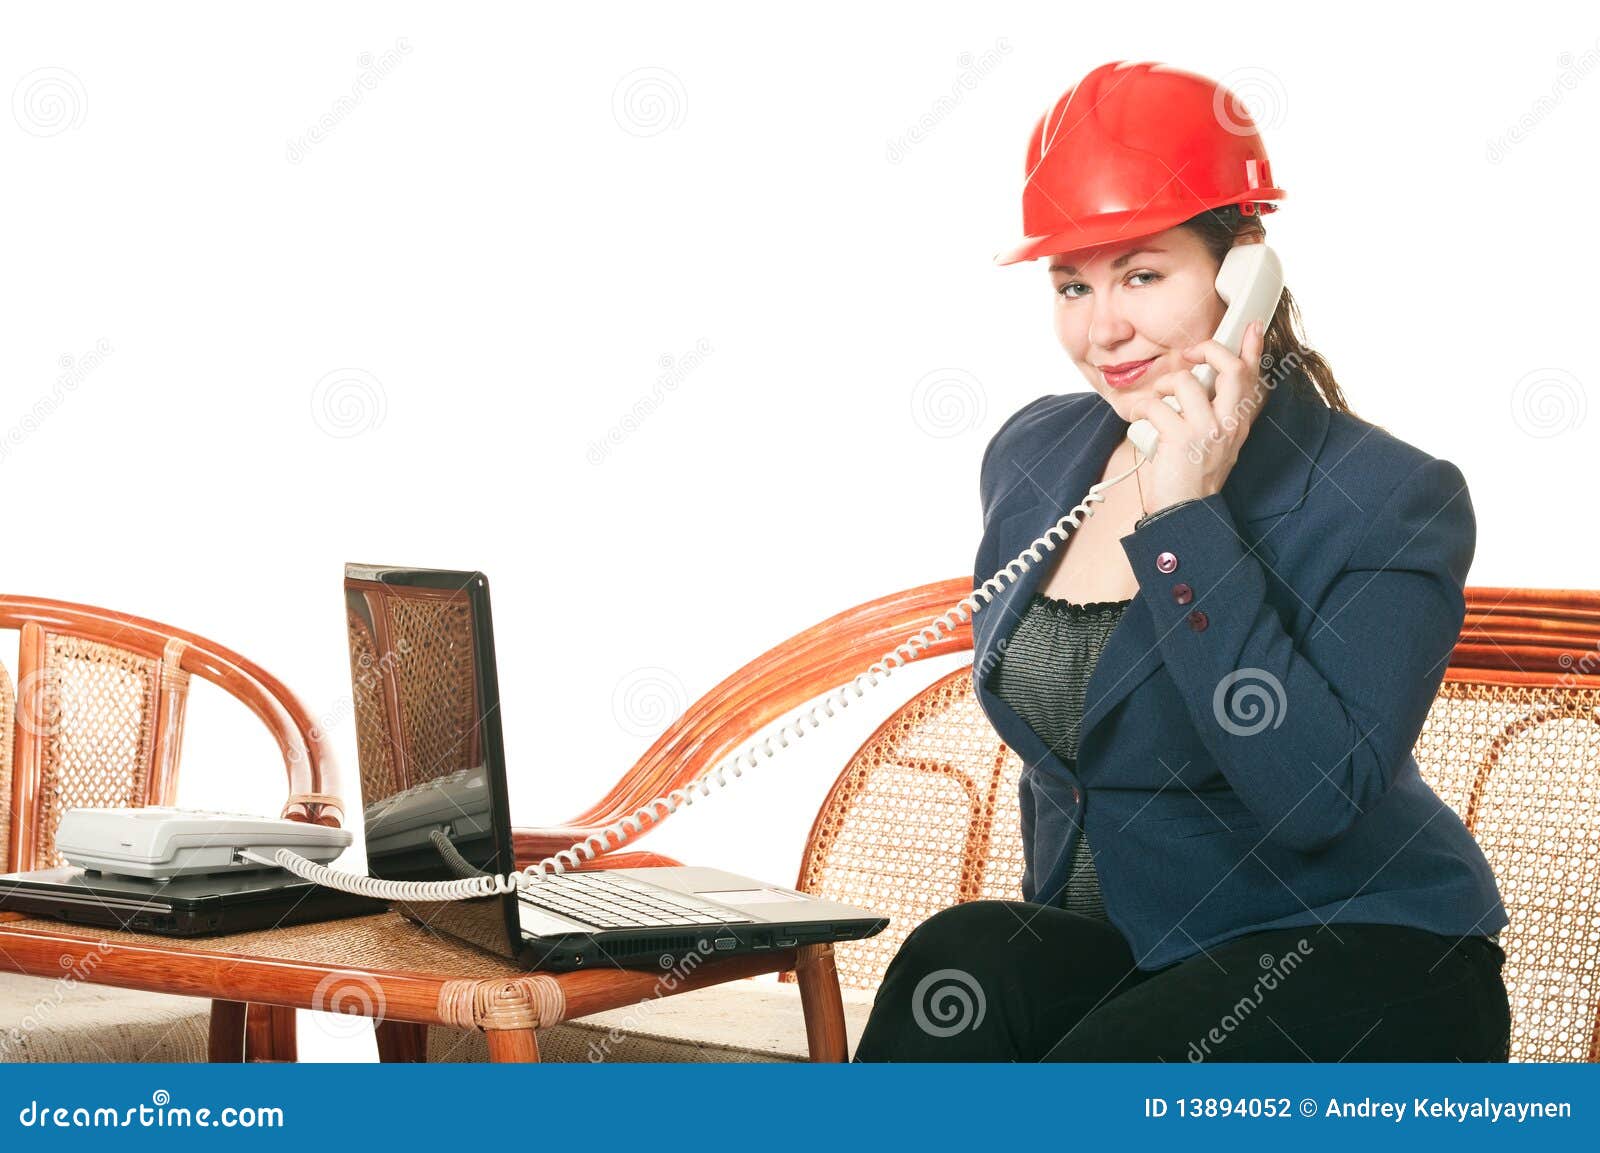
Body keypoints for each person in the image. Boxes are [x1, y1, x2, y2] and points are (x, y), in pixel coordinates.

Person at [852, 60, 1511, 1062]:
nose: (1100, 327)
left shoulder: (1388, 498)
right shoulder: (1035, 458)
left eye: (1142, 274)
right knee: (966, 957)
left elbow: (1312, 798)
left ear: (1242, 271)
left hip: (1361, 959)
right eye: (1072, 284)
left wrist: (1188, 519)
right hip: (1143, 957)